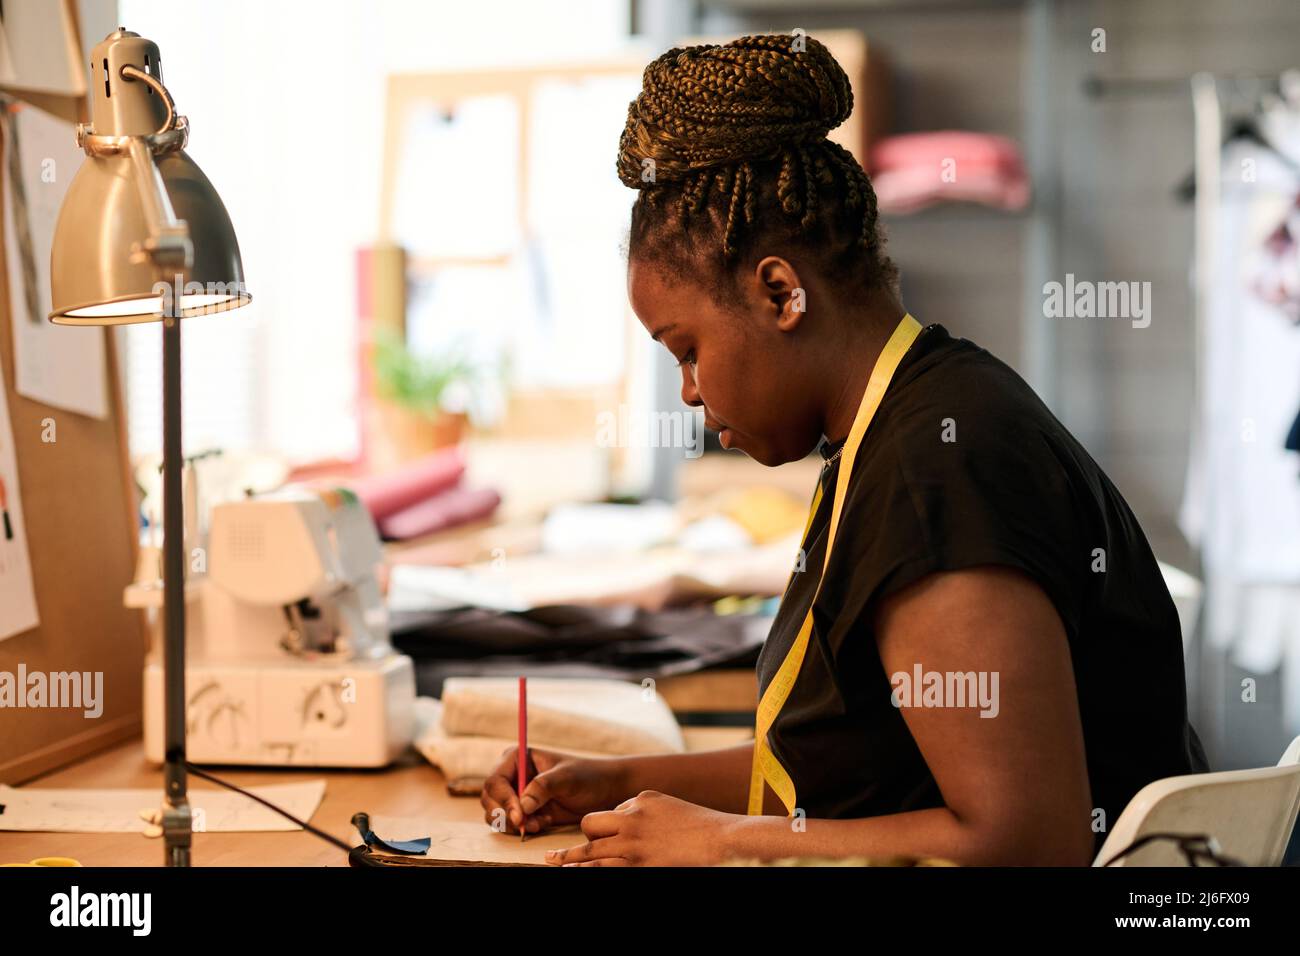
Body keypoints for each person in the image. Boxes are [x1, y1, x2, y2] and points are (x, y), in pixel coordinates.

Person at [480, 32, 1208, 866]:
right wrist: (616, 781)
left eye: (687, 350)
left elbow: (1028, 842)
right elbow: (848, 772)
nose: (687, 390)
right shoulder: (901, 423)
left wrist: (719, 844)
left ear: (782, 293)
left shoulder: (935, 471)